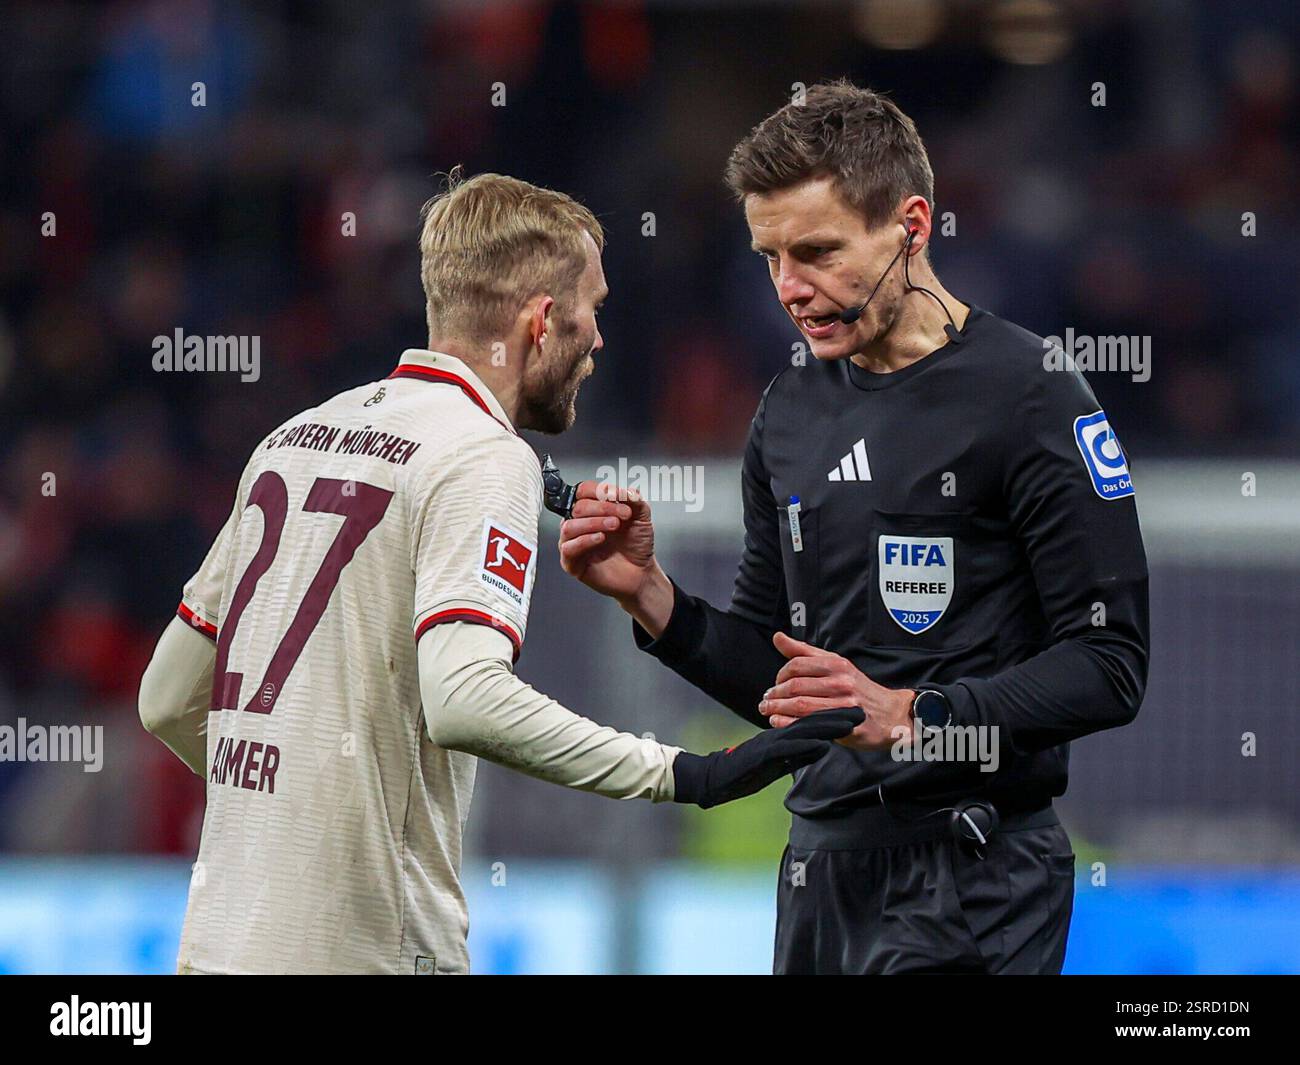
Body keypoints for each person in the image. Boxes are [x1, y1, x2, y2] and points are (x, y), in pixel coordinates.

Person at [137, 169, 859, 976]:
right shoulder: (482, 455)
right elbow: (465, 698)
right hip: (365, 951)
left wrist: (308, 804)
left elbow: (165, 697)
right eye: (593, 308)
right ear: (542, 321)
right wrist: (680, 772)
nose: (599, 339)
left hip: (217, 942)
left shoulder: (294, 438)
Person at [558, 81, 1150, 974]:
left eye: (819, 251)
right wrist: (654, 599)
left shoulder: (1032, 394)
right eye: (769, 256)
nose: (790, 288)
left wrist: (917, 715)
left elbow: (1112, 665)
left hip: (974, 872)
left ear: (911, 224)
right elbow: (780, 677)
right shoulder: (789, 410)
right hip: (820, 876)